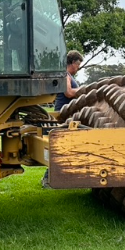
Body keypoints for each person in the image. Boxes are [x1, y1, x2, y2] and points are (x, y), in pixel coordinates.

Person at [42, 50, 84, 188]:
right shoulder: (65, 75)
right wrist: (85, 90)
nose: (78, 68)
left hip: (68, 115)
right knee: (60, 147)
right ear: (72, 62)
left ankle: (63, 177)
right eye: (77, 64)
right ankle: (47, 179)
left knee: (66, 147)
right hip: (62, 114)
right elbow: (69, 92)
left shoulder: (69, 75)